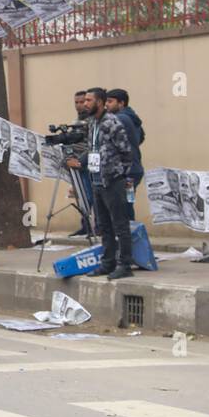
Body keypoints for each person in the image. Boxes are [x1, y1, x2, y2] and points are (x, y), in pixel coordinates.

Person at [83, 88, 135, 280]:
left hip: (112, 180)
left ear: (101, 102)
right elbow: (92, 149)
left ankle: (125, 264)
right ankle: (108, 262)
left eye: (89, 100)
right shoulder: (92, 123)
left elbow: (126, 151)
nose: (85, 103)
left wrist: (119, 173)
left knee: (120, 224)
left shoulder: (112, 122)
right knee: (104, 225)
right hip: (96, 180)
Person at [105, 88, 145, 220]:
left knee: (122, 207)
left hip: (126, 170)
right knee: (127, 204)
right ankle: (130, 236)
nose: (107, 105)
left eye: (110, 101)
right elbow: (141, 138)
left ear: (121, 103)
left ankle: (128, 237)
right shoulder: (133, 118)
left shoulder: (120, 118)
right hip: (134, 168)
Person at [65, 90, 95, 237]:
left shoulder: (92, 121)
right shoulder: (76, 121)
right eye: (76, 102)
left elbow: (92, 145)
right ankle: (85, 225)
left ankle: (97, 226)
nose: (79, 105)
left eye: (82, 102)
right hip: (75, 165)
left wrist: (80, 160)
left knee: (90, 197)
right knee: (81, 198)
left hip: (87, 164)